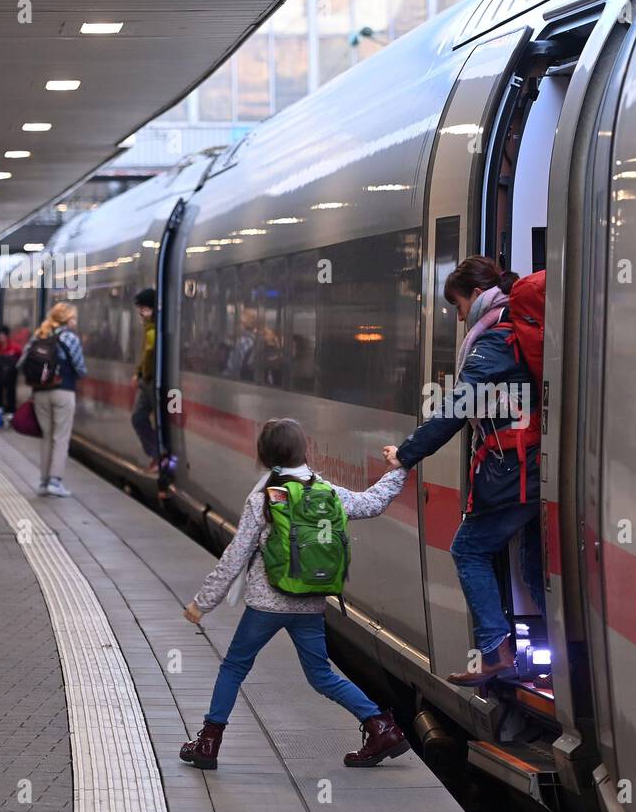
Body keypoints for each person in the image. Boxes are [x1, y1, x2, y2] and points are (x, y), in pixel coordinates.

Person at [180, 418, 412, 770]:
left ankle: (208, 744)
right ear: (304, 450)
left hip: (266, 604)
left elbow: (236, 554)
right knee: (321, 675)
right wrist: (399, 468)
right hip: (310, 601)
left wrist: (202, 602)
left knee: (234, 667)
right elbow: (371, 503)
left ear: (263, 455)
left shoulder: (263, 498)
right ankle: (382, 727)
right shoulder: (325, 491)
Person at [387, 256, 545, 686]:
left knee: (468, 550)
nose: (458, 318)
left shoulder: (493, 341)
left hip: (509, 469)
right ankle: (573, 662)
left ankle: (495, 650)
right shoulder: (515, 328)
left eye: (457, 306)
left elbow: (459, 405)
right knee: (534, 565)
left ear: (476, 295)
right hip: (533, 466)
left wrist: (406, 454)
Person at [21, 303, 86, 497]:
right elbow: (81, 368)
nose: (76, 321)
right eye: (74, 318)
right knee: (61, 437)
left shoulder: (39, 335)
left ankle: (43, 482)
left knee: (47, 436)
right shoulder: (70, 338)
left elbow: (22, 362)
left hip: (40, 393)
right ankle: (55, 482)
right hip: (63, 391)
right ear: (67, 319)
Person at [130, 288, 163, 472]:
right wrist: (138, 373)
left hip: (151, 381)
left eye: (143, 308)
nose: (140, 313)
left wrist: (143, 375)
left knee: (142, 418)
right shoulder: (149, 327)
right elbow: (145, 355)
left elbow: (149, 355)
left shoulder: (154, 329)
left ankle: (159, 455)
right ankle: (156, 454)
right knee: (138, 418)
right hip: (146, 380)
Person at [0, 326, 21, 414]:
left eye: (2, 336)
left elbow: (20, 358)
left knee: (11, 392)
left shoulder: (14, 348)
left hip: (11, 374)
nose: (1, 338)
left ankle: (10, 410)